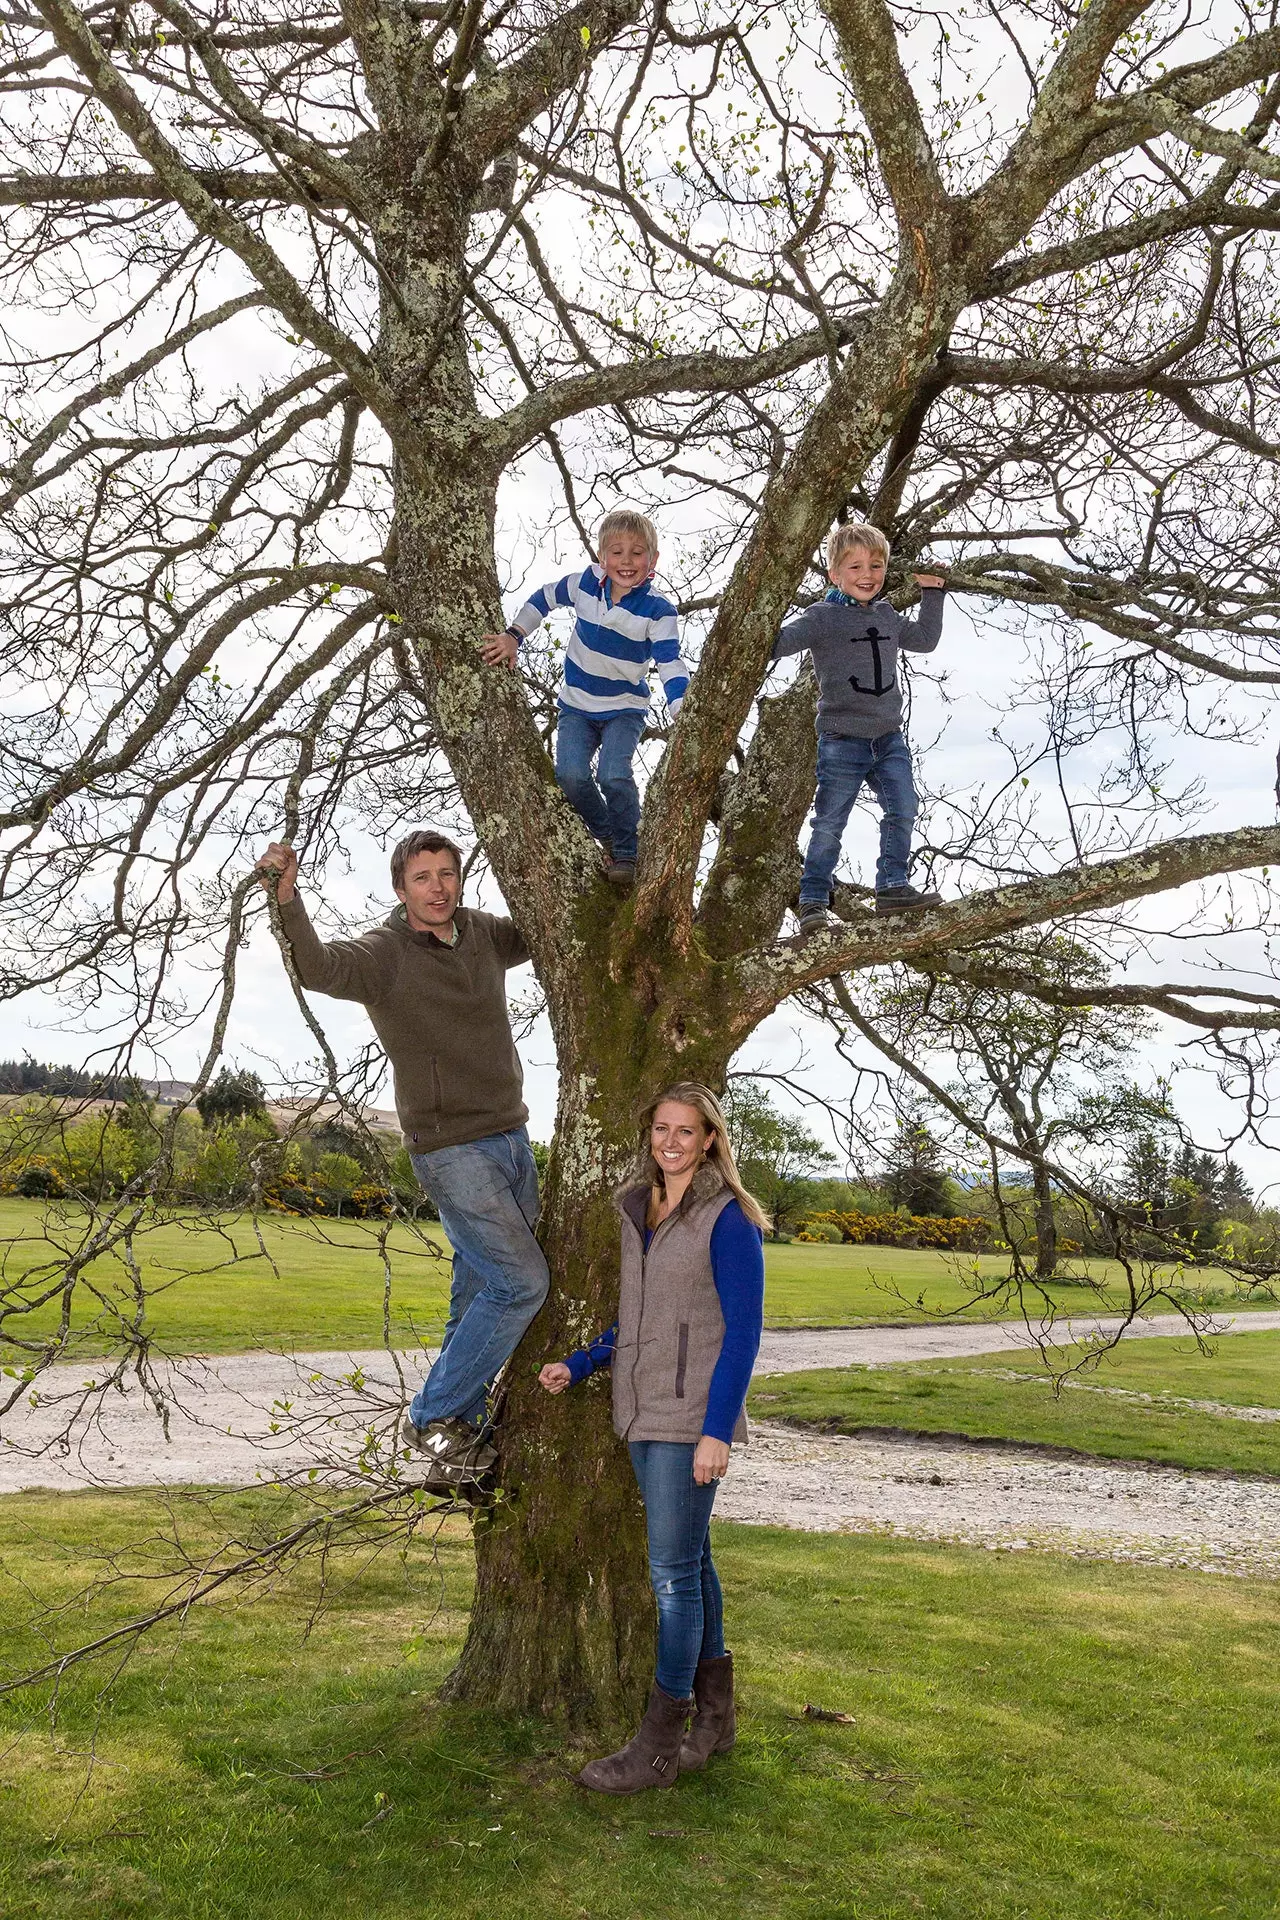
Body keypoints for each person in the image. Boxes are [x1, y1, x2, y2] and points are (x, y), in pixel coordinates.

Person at [254, 830, 549, 1492]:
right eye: (422, 878)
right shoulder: (385, 954)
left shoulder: (482, 933)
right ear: (400, 889)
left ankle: (455, 1448)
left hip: (511, 1135)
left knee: (477, 1287)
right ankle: (433, 1412)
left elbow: (545, 929)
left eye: (447, 874)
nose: (438, 887)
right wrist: (287, 898)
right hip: (449, 1148)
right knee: (523, 1282)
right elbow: (318, 968)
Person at [539, 1082, 766, 1794]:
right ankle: (717, 1720)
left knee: (670, 1577)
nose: (671, 1141)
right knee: (692, 1565)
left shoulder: (727, 1220)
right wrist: (582, 1363)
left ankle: (657, 1746)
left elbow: (741, 1337)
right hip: (638, 1414)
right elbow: (639, 1321)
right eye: (661, 1129)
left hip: (688, 1422)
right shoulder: (639, 1209)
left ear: (710, 1140)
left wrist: (715, 1433)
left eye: (686, 1131)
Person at [480, 510, 691, 887]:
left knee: (613, 774)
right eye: (617, 552)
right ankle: (607, 832)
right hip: (576, 704)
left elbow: (670, 661)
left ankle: (628, 849)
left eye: (637, 553)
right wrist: (514, 635)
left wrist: (681, 708)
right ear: (601, 557)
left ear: (653, 560)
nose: (626, 561)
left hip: (624, 708)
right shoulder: (584, 585)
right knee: (571, 776)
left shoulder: (659, 610)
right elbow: (543, 598)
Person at [772, 521, 947, 932]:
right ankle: (813, 900)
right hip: (842, 738)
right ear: (834, 574)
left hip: (888, 737)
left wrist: (933, 592)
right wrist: (761, 607)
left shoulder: (886, 616)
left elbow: (924, 639)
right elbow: (777, 643)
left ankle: (892, 886)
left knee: (903, 807)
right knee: (830, 821)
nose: (867, 575)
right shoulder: (821, 618)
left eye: (876, 565)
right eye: (854, 567)